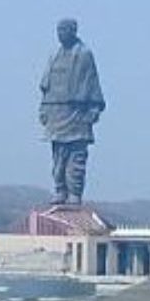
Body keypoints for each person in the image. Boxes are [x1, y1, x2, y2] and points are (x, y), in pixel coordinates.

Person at [39, 18, 105, 205]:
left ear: (73, 31)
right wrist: (43, 108)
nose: (60, 33)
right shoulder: (54, 55)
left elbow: (92, 82)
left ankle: (74, 192)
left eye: (64, 30)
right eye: (58, 30)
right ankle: (60, 190)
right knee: (58, 157)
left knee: (76, 156)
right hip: (56, 110)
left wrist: (93, 110)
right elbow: (45, 86)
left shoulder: (84, 54)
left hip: (77, 112)